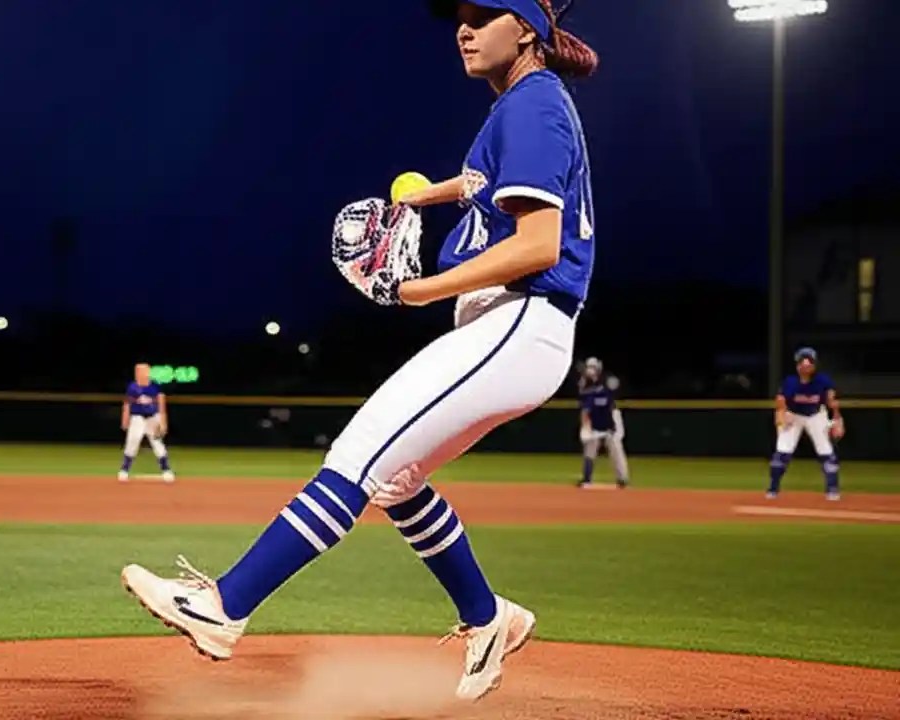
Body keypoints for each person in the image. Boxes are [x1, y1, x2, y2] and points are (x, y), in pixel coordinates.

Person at [121, 0, 599, 703]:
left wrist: (422, 290)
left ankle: (225, 608)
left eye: (482, 14)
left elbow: (538, 245)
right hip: (505, 330)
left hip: (521, 322)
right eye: (458, 18)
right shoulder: (519, 105)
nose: (462, 29)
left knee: (359, 453)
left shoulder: (532, 106)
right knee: (396, 481)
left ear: (525, 29)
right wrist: (422, 200)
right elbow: (482, 191)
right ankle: (487, 616)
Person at [768, 347, 844, 500]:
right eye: (802, 362)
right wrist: (780, 416)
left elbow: (831, 401)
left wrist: (837, 419)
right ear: (797, 365)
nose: (806, 366)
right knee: (782, 453)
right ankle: (773, 489)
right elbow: (781, 401)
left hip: (816, 415)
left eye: (809, 362)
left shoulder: (823, 381)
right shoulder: (790, 382)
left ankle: (832, 489)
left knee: (826, 452)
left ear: (815, 365)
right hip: (793, 415)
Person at [576, 357, 630, 488]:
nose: (589, 370)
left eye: (592, 367)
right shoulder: (584, 384)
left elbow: (612, 395)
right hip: (594, 418)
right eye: (588, 367)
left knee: (615, 448)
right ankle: (587, 478)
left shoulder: (606, 381)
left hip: (611, 417)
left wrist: (613, 425)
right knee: (590, 448)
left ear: (598, 369)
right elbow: (585, 406)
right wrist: (585, 425)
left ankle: (622, 478)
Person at [119, 363, 175, 483]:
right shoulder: (132, 387)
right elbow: (127, 404)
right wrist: (125, 418)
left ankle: (166, 470)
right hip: (137, 418)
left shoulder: (155, 387)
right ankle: (124, 470)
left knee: (157, 444)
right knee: (132, 443)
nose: (138, 373)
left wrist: (163, 422)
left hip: (152, 418)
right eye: (137, 371)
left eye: (142, 371)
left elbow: (161, 403)